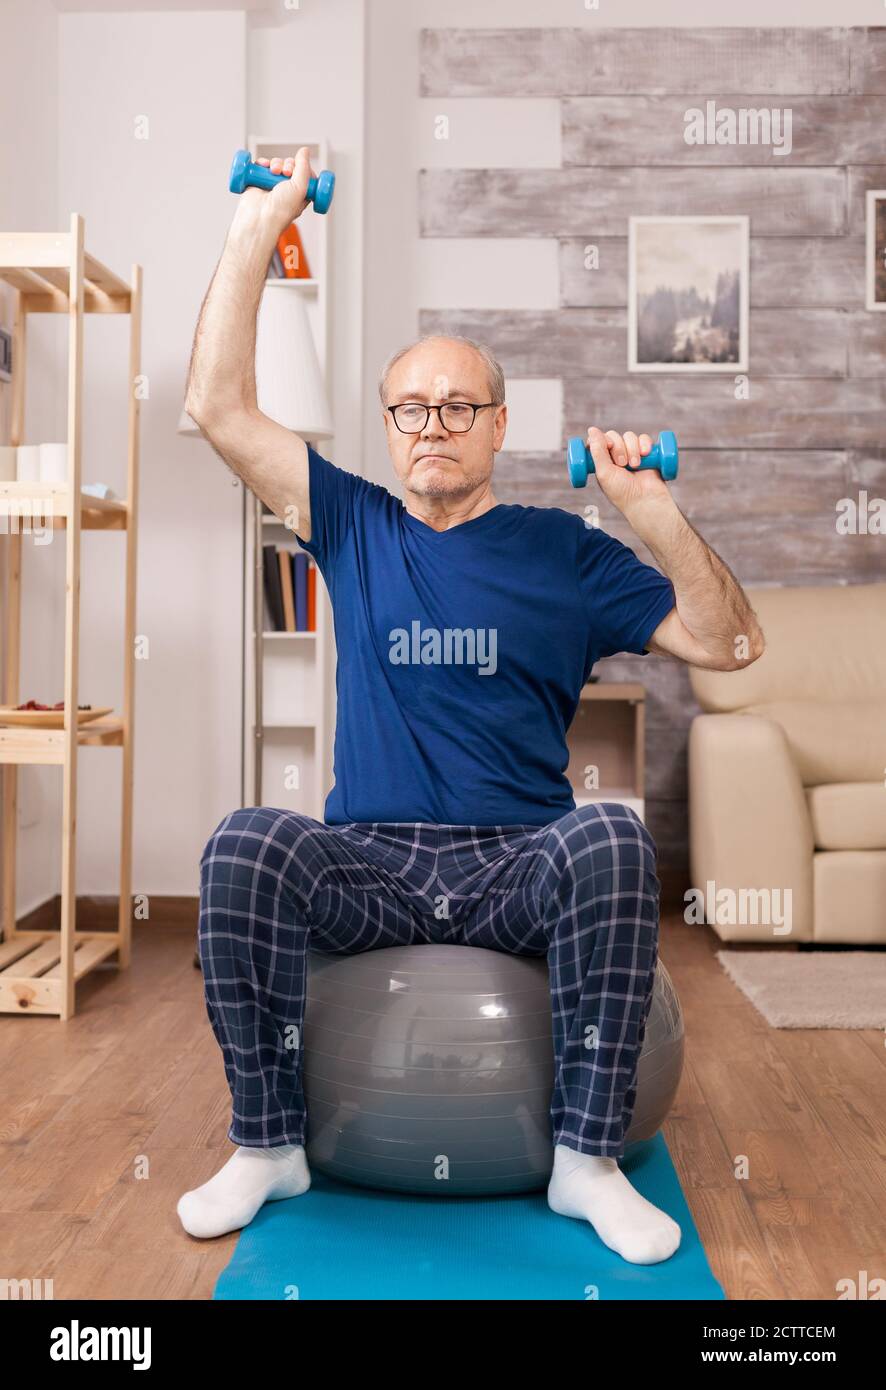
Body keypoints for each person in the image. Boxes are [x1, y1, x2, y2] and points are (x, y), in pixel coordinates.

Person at [177, 148, 765, 1264]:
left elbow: (731, 643)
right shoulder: (350, 520)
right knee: (244, 842)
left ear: (499, 426)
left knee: (611, 832)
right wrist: (267, 213)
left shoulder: (565, 548)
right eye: (411, 407)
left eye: (459, 406)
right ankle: (267, 1143)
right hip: (371, 862)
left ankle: (583, 1163)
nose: (432, 423)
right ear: (389, 428)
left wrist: (648, 509)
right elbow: (215, 403)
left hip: (517, 864)